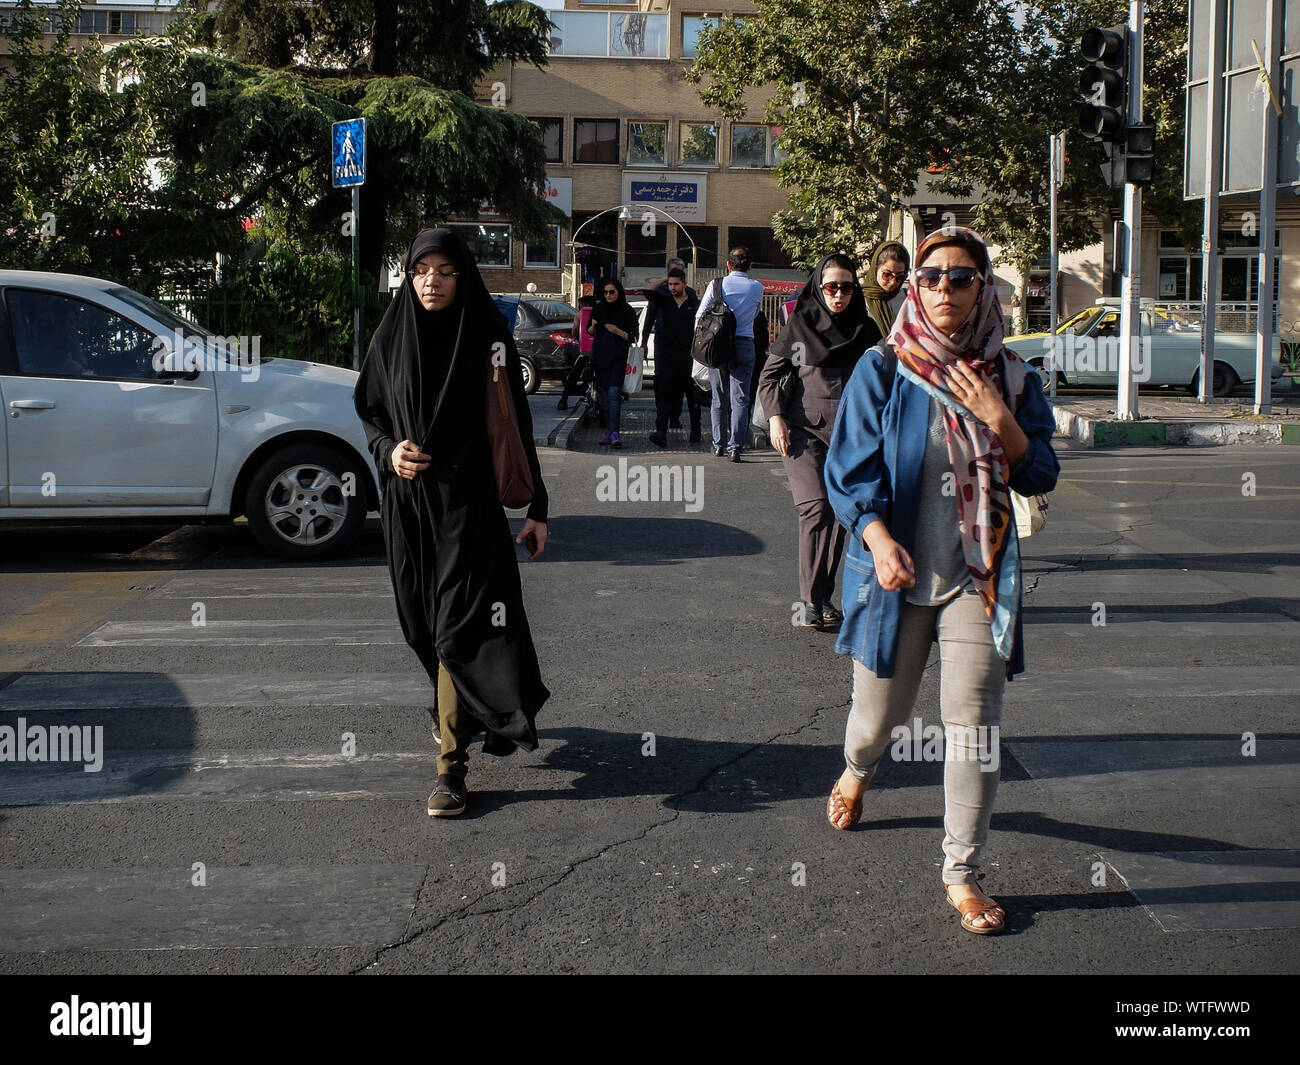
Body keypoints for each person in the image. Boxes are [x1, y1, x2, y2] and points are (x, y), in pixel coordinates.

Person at [823, 227, 1059, 934]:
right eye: (932, 276)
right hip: (895, 577)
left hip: (977, 580)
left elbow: (1041, 471)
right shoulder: (884, 368)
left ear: (985, 287)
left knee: (975, 729)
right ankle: (856, 770)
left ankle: (962, 870)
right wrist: (878, 536)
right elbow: (849, 472)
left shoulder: (1013, 376)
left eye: (962, 277)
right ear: (912, 285)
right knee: (878, 722)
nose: (946, 289)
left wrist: (1001, 423)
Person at [353, 227, 550, 818]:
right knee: (420, 627)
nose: (431, 281)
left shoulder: (488, 336)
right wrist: (389, 451)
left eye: (443, 270)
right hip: (407, 508)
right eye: (421, 270)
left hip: (468, 507)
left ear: (462, 275)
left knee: (452, 635)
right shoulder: (391, 337)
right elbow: (370, 412)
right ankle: (471, 708)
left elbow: (515, 426)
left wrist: (537, 508)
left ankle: (449, 771)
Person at [761, 254, 881, 631]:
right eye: (831, 287)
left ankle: (821, 597)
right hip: (803, 432)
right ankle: (809, 601)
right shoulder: (801, 326)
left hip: (851, 436)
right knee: (816, 507)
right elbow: (768, 378)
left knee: (841, 514)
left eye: (846, 287)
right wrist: (775, 418)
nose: (839, 295)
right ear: (818, 287)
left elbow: (885, 377)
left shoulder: (865, 329)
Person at [695, 246, 764, 461]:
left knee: (719, 397)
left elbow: (700, 316)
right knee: (741, 399)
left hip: (718, 345)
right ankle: (736, 447)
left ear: (728, 265)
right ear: (750, 266)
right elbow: (755, 314)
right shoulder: (757, 287)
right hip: (744, 343)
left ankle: (718, 445)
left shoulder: (717, 284)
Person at [640, 267, 702, 446]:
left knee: (692, 395)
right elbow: (648, 291)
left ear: (684, 284)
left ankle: (696, 429)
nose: (673, 288)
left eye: (676, 284)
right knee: (663, 392)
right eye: (670, 284)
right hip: (665, 355)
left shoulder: (694, 304)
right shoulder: (663, 300)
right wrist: (663, 280)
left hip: (688, 356)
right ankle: (661, 431)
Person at [588, 277, 638, 447]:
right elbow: (590, 330)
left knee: (613, 394)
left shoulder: (627, 311)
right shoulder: (599, 308)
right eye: (605, 292)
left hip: (618, 357)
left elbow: (633, 336)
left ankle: (615, 431)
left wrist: (618, 332)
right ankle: (608, 431)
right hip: (601, 358)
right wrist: (593, 326)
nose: (608, 295)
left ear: (618, 292)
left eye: (612, 292)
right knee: (604, 396)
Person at [557, 294, 596, 412]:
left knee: (574, 374)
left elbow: (574, 331)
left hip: (585, 350)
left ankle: (563, 400)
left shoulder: (580, 315)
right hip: (600, 350)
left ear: (585, 305)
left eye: (580, 306)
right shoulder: (602, 313)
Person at [862, 240, 910, 335]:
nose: (893, 282)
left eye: (900, 277)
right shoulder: (857, 299)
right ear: (875, 269)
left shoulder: (908, 299)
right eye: (887, 275)